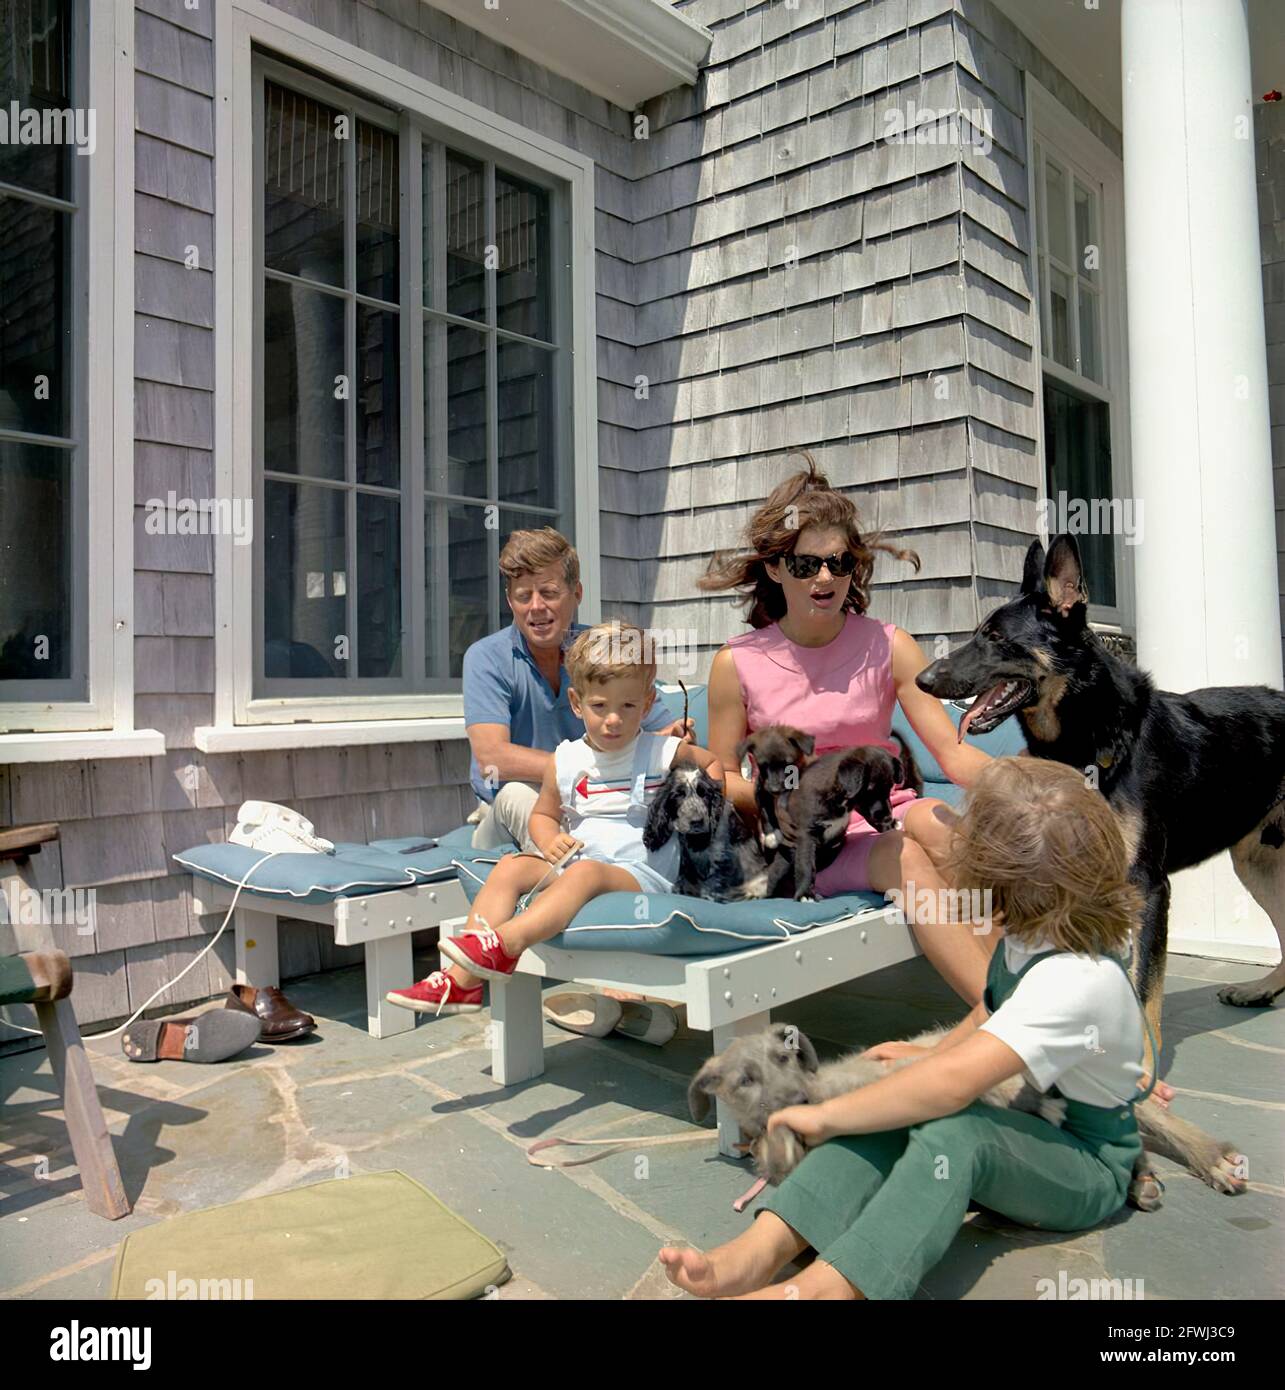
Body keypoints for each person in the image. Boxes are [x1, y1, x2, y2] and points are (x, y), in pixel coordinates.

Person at [659, 758, 1163, 1300]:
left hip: (1085, 1167)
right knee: (893, 1102)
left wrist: (824, 1115)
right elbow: (991, 1011)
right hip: (1029, 1127)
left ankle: (829, 1289)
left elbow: (949, 1086)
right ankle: (761, 1248)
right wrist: (928, 1052)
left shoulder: (1075, 980)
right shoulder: (1033, 939)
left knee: (951, 1130)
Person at [700, 455, 998, 1006]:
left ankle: (1034, 998)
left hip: (889, 808)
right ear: (775, 569)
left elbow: (954, 757)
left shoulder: (889, 644)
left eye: (839, 563)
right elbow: (720, 778)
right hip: (812, 839)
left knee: (938, 822)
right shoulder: (736, 663)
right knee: (904, 856)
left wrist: (1042, 794)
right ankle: (1003, 1021)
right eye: (807, 563)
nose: (825, 578)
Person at [388, 622, 723, 1016]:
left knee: (587, 874)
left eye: (628, 706)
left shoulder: (662, 752)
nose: (613, 719)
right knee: (512, 867)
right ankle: (462, 982)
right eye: (599, 706)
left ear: (647, 705)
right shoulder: (565, 761)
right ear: (577, 703)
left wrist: (704, 813)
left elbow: (713, 764)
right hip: (580, 860)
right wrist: (547, 840)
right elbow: (545, 814)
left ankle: (505, 944)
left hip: (642, 871)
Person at [462, 528, 688, 856]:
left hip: (596, 799)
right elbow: (492, 758)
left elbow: (660, 727)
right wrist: (588, 765)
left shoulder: (600, 651)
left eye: (549, 593)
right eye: (524, 596)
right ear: (510, 600)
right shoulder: (486, 657)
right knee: (517, 797)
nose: (536, 607)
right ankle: (576, 885)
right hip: (510, 808)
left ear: (576, 592)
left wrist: (675, 739)